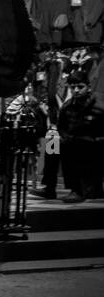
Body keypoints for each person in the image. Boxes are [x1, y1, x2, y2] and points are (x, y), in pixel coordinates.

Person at [58, 72, 104, 203]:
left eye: (80, 86)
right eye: (73, 87)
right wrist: (64, 137)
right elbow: (61, 126)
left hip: (97, 143)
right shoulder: (67, 106)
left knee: (74, 148)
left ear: (88, 87)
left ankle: (79, 190)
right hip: (73, 142)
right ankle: (49, 186)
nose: (76, 90)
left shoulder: (99, 104)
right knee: (52, 144)